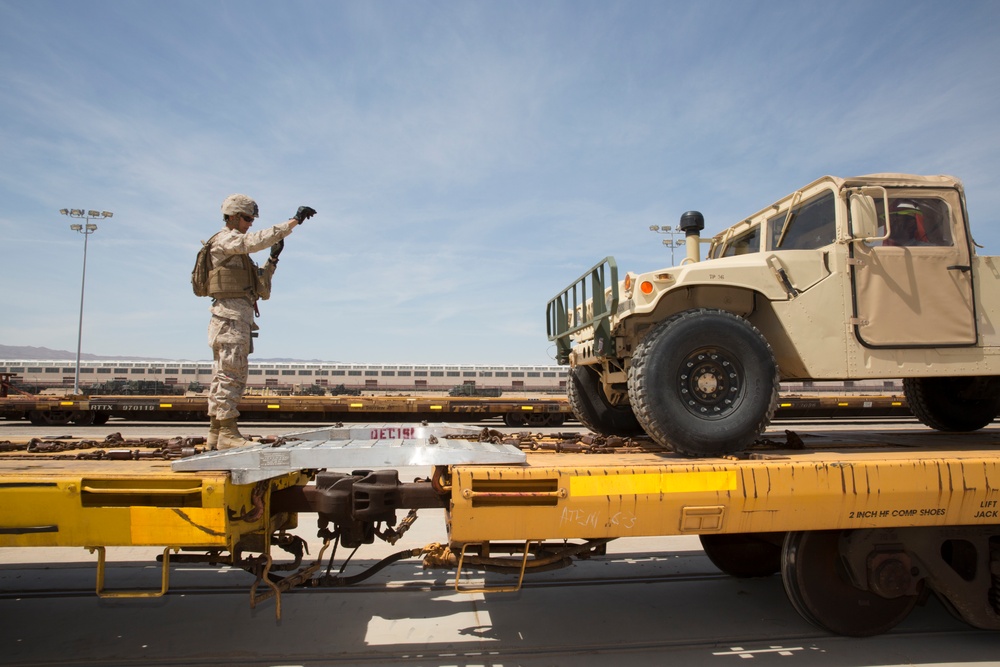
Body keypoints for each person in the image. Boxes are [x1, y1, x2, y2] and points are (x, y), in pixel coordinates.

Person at [205, 194, 316, 449]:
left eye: (252, 219)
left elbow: (261, 291)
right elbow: (254, 241)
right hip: (229, 320)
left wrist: (273, 260)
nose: (249, 224)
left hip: (234, 319)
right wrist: (293, 223)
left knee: (225, 375)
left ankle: (216, 432)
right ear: (232, 216)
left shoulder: (237, 253)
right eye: (246, 218)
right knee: (231, 376)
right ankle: (228, 434)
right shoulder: (225, 239)